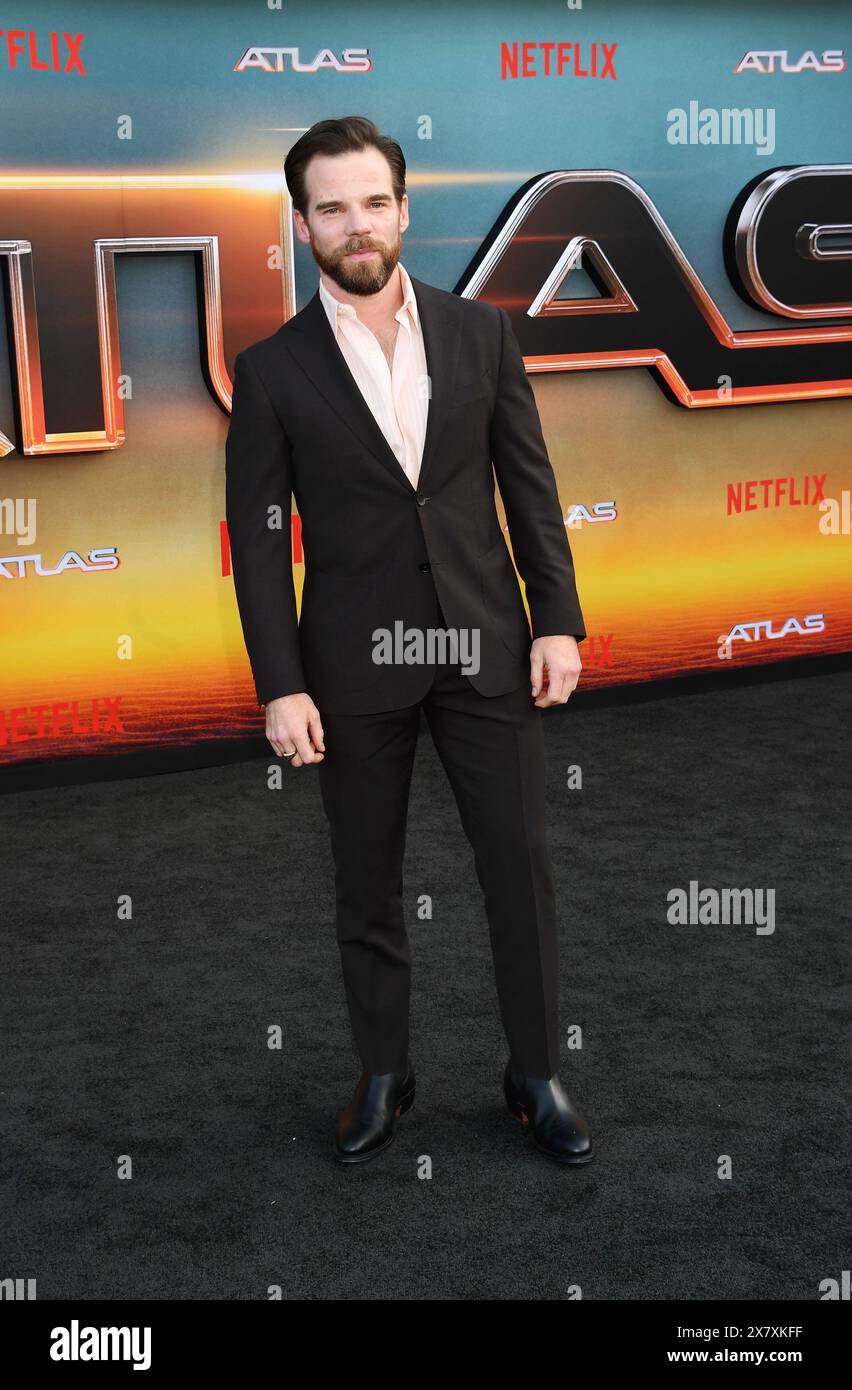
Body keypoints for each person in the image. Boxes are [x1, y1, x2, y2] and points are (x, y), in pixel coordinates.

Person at [225, 116, 594, 1167]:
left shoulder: (481, 333)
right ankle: (384, 1070)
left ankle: (534, 1073)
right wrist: (280, 685)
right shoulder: (271, 369)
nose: (357, 223)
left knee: (518, 867)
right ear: (303, 225)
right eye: (332, 207)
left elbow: (531, 489)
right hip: (349, 664)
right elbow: (258, 548)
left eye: (374, 201)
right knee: (366, 876)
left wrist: (558, 615)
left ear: (403, 208)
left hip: (486, 644)